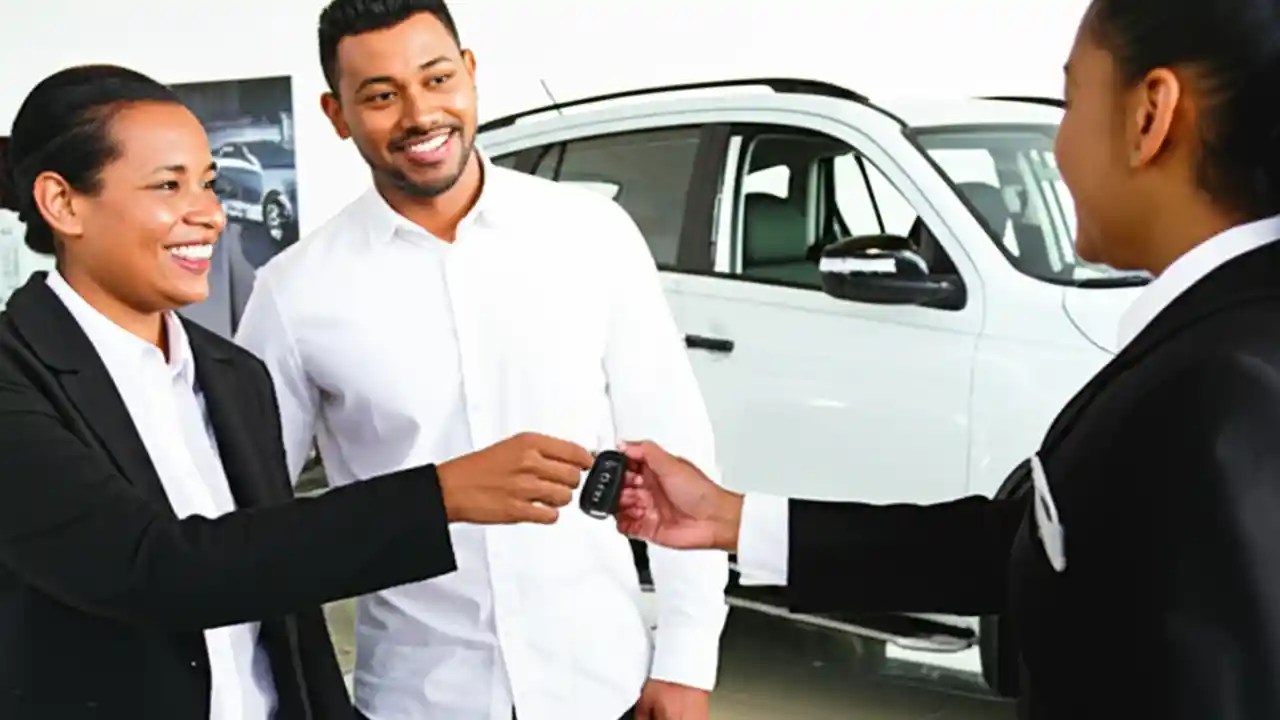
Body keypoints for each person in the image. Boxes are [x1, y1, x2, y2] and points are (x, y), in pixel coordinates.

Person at [614, 1, 1280, 718]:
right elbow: (1012, 547)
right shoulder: (1212, 337)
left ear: (1150, 116)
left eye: (1071, 98)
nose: (1058, 149)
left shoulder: (1228, 390)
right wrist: (729, 519)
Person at [0, 64, 593, 719]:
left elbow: (279, 591)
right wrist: (438, 495)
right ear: (62, 203)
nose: (210, 215)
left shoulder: (232, 374)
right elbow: (155, 570)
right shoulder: (15, 375)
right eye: (169, 185)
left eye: (209, 183)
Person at [232, 1, 729, 718]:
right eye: (379, 95)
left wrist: (686, 660)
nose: (419, 113)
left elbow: (677, 448)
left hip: (603, 683)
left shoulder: (591, 234)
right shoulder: (294, 292)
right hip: (417, 697)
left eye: (436, 79)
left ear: (469, 74)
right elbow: (257, 517)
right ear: (336, 114)